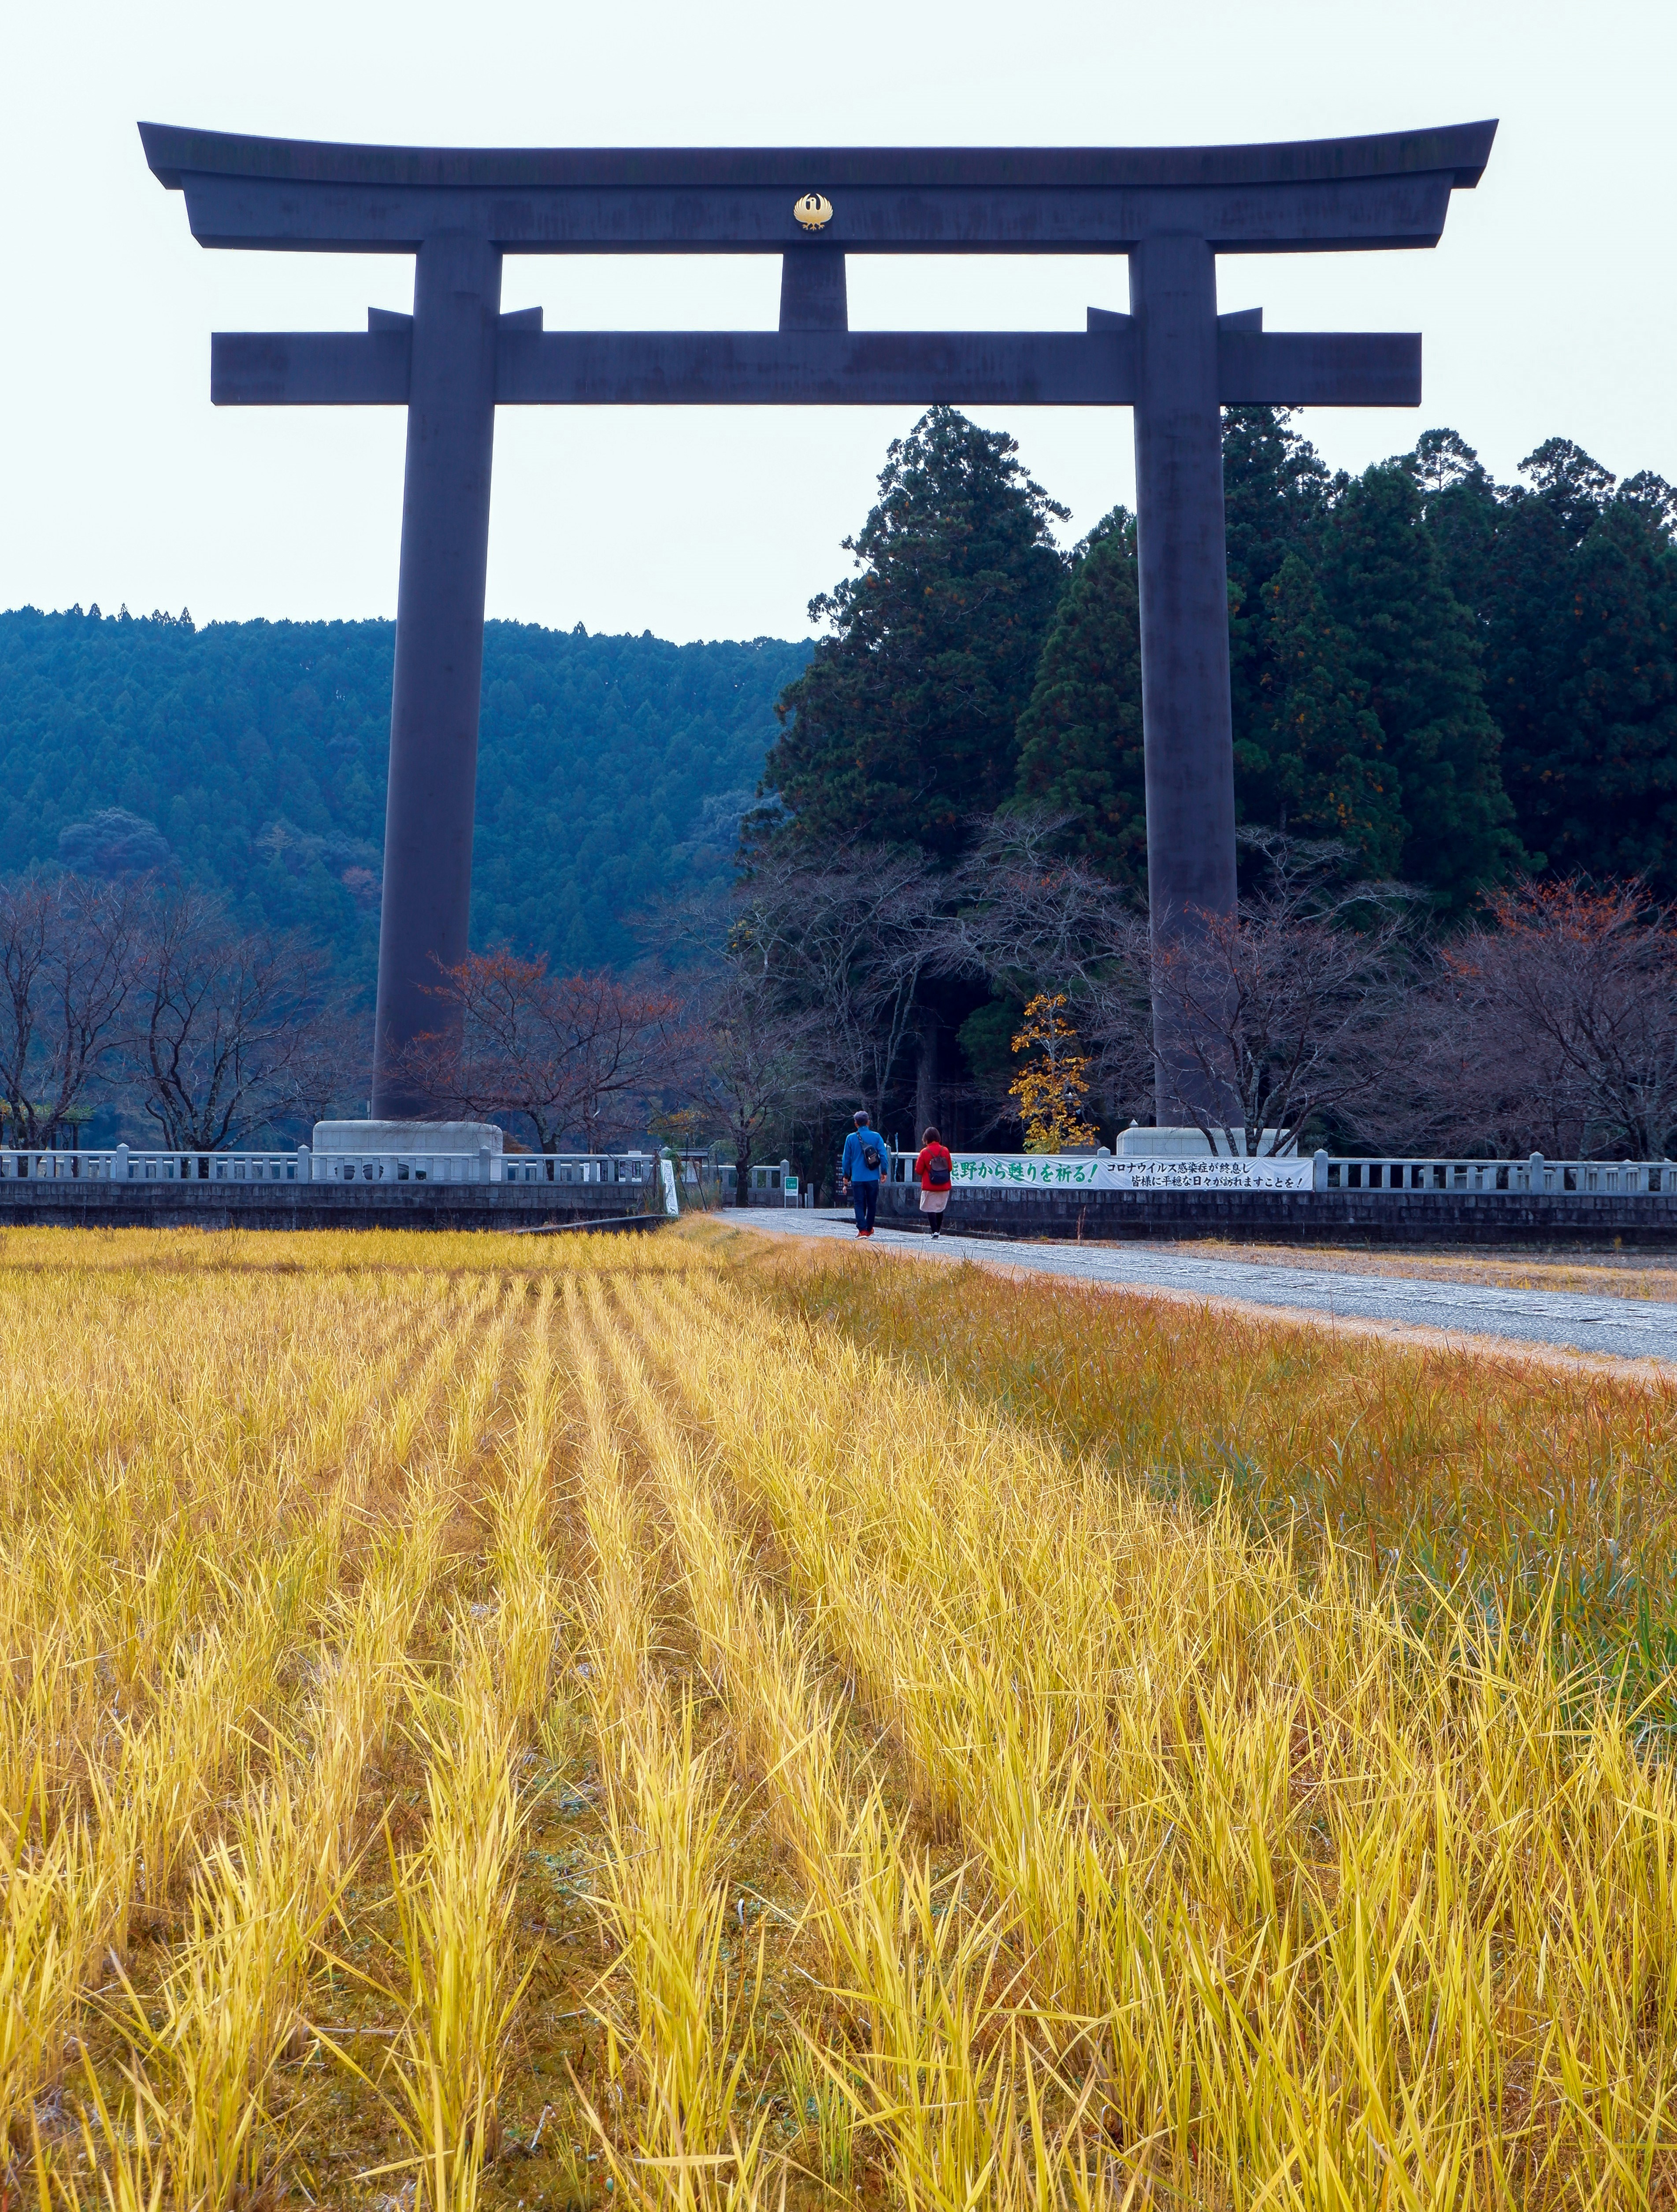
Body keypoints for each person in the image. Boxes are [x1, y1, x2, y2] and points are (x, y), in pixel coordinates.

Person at [840, 1109, 886, 1236]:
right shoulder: (876, 1137)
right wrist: (884, 1171)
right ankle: (869, 1228)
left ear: (856, 1124)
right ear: (869, 1123)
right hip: (872, 1177)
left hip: (857, 1178)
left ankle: (862, 1229)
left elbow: (846, 1160)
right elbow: (883, 1155)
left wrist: (846, 1176)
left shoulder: (850, 1138)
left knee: (859, 1204)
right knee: (872, 1204)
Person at [913, 1124, 953, 1237]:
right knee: (940, 1208)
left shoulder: (925, 1152)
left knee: (930, 1208)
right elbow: (950, 1168)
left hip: (930, 1185)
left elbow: (919, 1170)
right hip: (944, 1185)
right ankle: (939, 1230)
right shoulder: (945, 1150)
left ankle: (934, 1231)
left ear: (926, 1138)